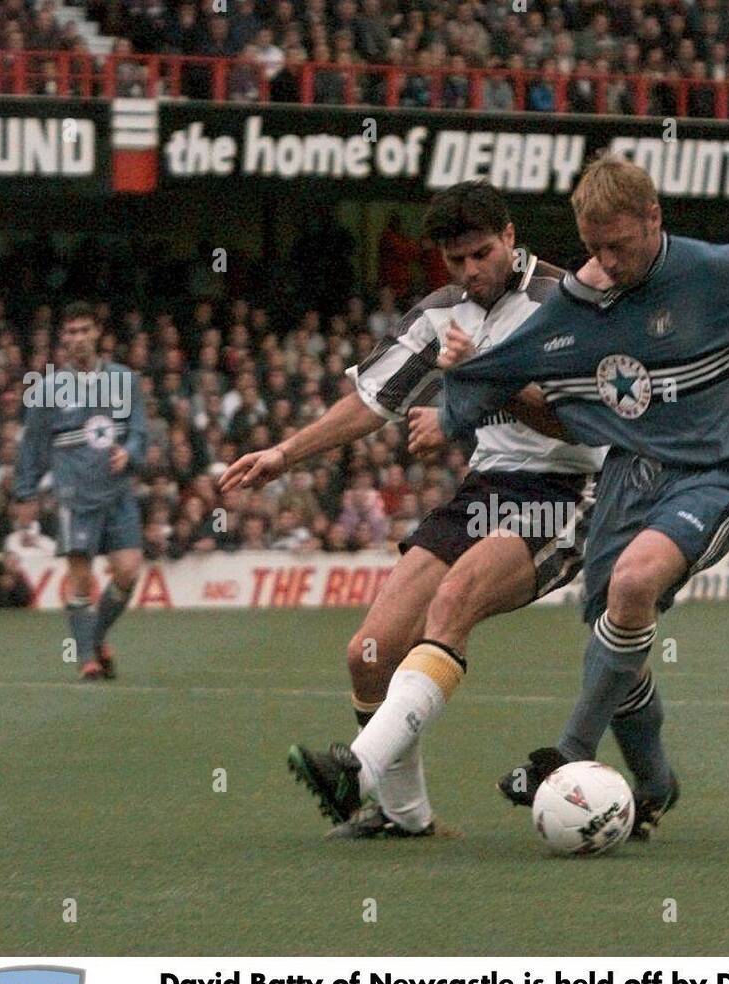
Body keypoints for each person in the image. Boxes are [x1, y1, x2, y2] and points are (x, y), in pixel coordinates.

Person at [299, 156, 729, 840]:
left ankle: (564, 754)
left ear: (654, 219)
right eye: (593, 248)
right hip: (629, 478)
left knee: (631, 589)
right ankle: (654, 788)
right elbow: (503, 369)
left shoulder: (719, 273)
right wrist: (448, 414)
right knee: (614, 636)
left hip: (713, 473)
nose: (605, 263)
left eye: (619, 246)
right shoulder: (580, 301)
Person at [219, 181, 605, 838]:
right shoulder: (441, 312)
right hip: (484, 491)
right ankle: (406, 818)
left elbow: (584, 427)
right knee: (369, 653)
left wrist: (484, 379)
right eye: (456, 261)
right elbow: (370, 402)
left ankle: (355, 773)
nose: (471, 271)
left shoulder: (565, 303)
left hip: (566, 493)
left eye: (482, 254)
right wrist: (285, 453)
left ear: (511, 237)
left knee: (453, 601)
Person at [14, 302, 146, 680]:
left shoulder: (124, 379)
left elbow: (139, 429)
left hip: (118, 494)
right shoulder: (49, 388)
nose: (78, 338)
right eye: (71, 333)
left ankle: (96, 636)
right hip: (75, 497)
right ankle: (87, 658)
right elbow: (32, 444)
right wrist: (25, 493)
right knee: (81, 577)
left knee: (128, 572)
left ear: (98, 334)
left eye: (84, 330)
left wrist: (131, 452)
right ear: (63, 340)